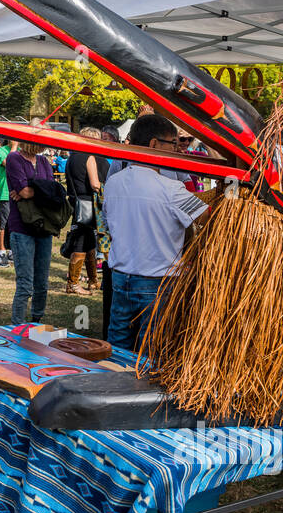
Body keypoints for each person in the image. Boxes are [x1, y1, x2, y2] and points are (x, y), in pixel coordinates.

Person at [103, 113, 209, 354]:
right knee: (151, 355)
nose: (178, 150)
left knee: (117, 350)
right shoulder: (171, 189)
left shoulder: (114, 183)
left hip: (121, 277)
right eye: (173, 144)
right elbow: (208, 218)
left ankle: (113, 387)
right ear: (153, 144)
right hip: (158, 282)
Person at [5, 126, 56, 325]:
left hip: (44, 226)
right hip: (22, 227)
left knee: (42, 282)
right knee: (25, 283)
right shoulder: (15, 158)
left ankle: (36, 319)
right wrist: (32, 190)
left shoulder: (44, 161)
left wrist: (30, 188)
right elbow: (24, 191)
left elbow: (50, 190)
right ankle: (17, 325)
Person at [63, 127, 109, 295]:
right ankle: (73, 284)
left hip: (76, 202)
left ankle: (93, 280)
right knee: (82, 242)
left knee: (88, 241)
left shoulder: (72, 157)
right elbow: (95, 184)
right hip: (88, 204)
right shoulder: (89, 157)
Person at [0, 138, 16, 265]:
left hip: (18, 193)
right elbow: (10, 164)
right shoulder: (1, 151)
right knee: (4, 224)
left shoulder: (19, 151)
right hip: (6, 193)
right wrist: (14, 147)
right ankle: (2, 253)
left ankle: (12, 251)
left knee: (15, 223)